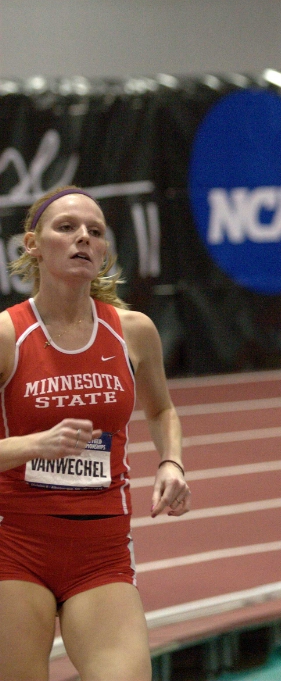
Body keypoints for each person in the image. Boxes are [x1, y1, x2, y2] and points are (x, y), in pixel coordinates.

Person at [0, 186, 189, 681]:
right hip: (14, 543)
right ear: (32, 245)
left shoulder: (133, 331)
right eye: (66, 227)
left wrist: (171, 461)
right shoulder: (7, 335)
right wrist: (35, 446)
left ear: (104, 250)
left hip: (101, 548)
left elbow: (162, 409)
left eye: (95, 231)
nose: (83, 237)